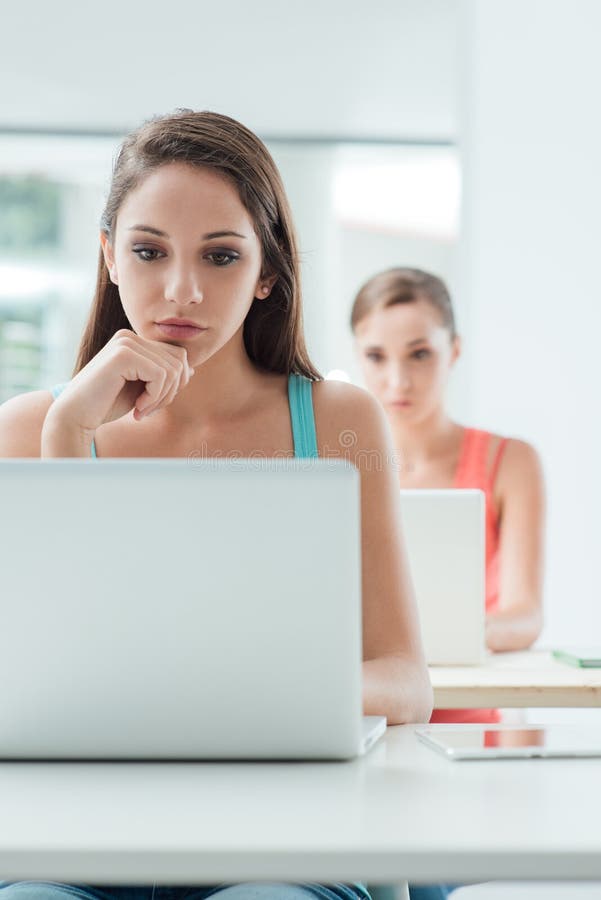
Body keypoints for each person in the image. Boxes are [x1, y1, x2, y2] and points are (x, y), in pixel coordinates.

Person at [0, 112, 432, 900]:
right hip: (80, 840)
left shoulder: (339, 420)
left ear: (267, 272)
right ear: (108, 256)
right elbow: (35, 678)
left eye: (221, 256)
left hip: (283, 841)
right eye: (148, 251)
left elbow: (405, 681)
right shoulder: (28, 428)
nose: (181, 291)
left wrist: (228, 695)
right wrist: (67, 434)